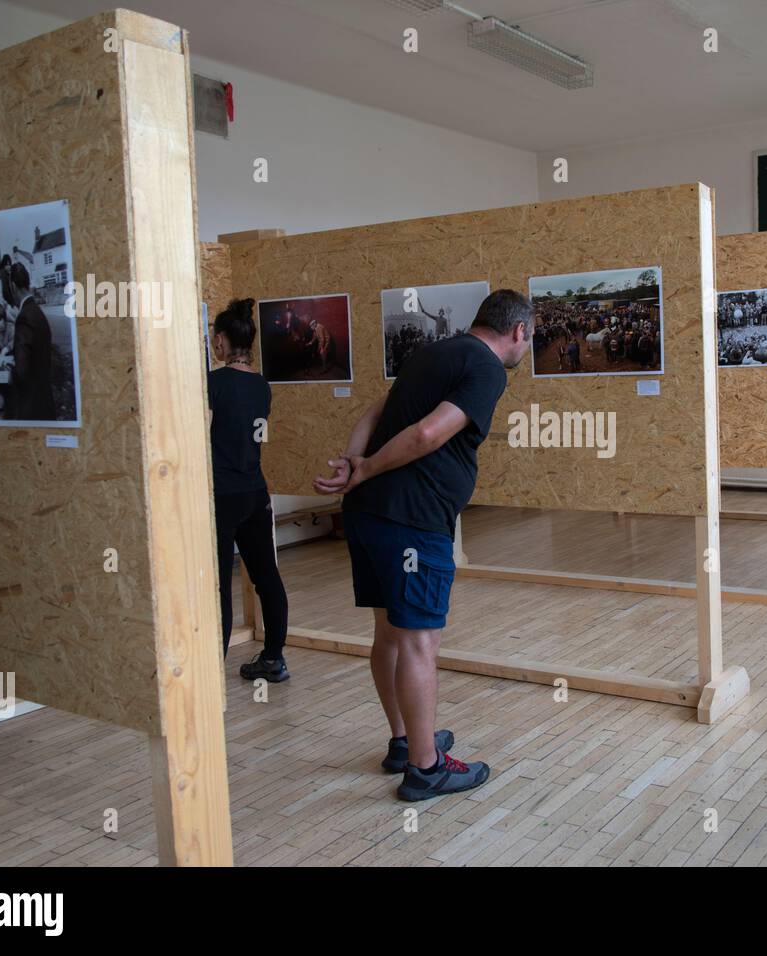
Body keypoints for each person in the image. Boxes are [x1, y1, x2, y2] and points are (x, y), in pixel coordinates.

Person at [315, 289, 532, 801]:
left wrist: (353, 460)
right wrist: (364, 466)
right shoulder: (487, 368)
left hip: (369, 515)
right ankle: (426, 767)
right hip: (411, 521)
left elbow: (376, 410)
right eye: (530, 336)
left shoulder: (435, 352)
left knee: (389, 635)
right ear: (518, 331)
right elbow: (428, 434)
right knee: (418, 642)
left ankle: (402, 741)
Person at [207, 298, 291, 679]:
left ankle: (211, 674)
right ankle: (273, 658)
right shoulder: (261, 386)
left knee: (220, 586)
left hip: (221, 497)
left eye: (213, 339)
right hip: (255, 493)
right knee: (266, 576)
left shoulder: (211, 384)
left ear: (221, 341)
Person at [8, 263, 56, 422]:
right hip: (45, 401)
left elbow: (21, 373)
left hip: (32, 408)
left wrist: (10, 371)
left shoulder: (24, 318)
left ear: (13, 286)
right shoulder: (37, 312)